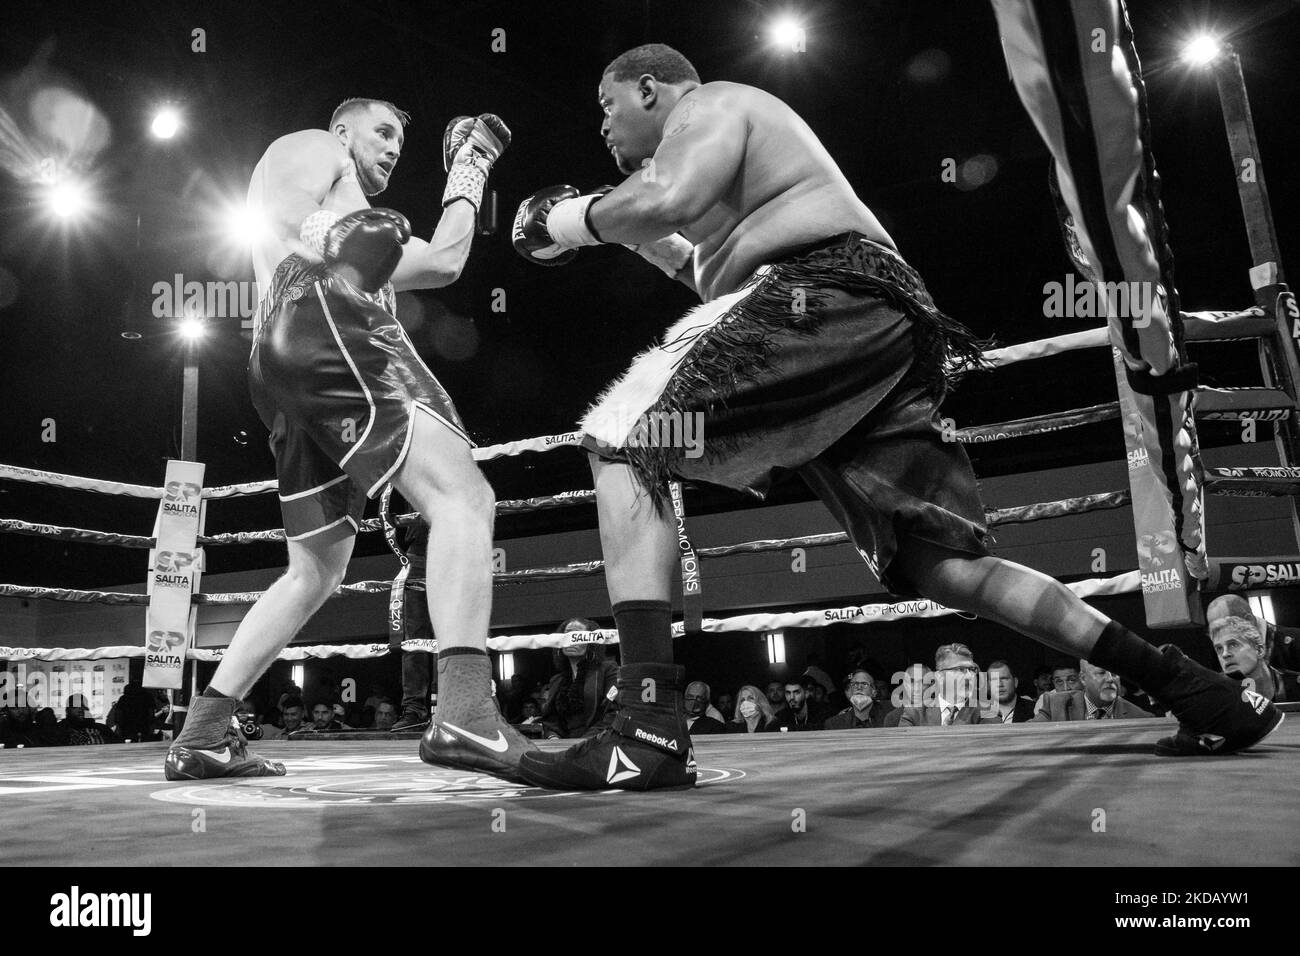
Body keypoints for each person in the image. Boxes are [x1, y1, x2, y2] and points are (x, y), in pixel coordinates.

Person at [509, 43, 1280, 790]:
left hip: (826, 294)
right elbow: (703, 261)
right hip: (866, 328)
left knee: (620, 439)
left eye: (608, 107)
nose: (603, 128)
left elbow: (667, 202)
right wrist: (627, 237)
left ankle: (645, 726)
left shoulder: (710, 105)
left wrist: (567, 218)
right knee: (940, 565)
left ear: (651, 89)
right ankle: (1195, 688)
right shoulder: (733, 172)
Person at [164, 98, 535, 780]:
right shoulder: (313, 148)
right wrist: (343, 233)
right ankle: (464, 714)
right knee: (462, 496)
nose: (394, 148)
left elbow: (447, 262)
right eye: (384, 131)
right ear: (344, 130)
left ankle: (204, 734)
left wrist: (470, 170)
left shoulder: (372, 237)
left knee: (316, 572)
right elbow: (282, 213)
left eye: (402, 139)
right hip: (324, 320)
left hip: (288, 366)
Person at [538, 619, 619, 739]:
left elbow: (613, 713)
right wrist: (553, 737)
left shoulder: (608, 670)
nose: (571, 641)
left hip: (598, 743)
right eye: (568, 635)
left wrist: (583, 743)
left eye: (577, 636)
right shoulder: (557, 680)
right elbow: (551, 720)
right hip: (565, 747)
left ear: (591, 642)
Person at [1208, 617, 1299, 704]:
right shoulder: (1215, 697)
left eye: (1233, 645)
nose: (1225, 654)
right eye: (1219, 648)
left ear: (1259, 650)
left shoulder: (1296, 686)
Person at [898, 645, 989, 727]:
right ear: (940, 677)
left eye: (972, 669)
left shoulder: (987, 712)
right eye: (961, 669)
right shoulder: (914, 713)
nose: (969, 676)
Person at [1033, 660, 1154, 721]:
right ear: (1083, 678)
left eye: (1115, 674)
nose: (1110, 679)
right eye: (1101, 673)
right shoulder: (1056, 705)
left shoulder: (1140, 717)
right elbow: (1024, 734)